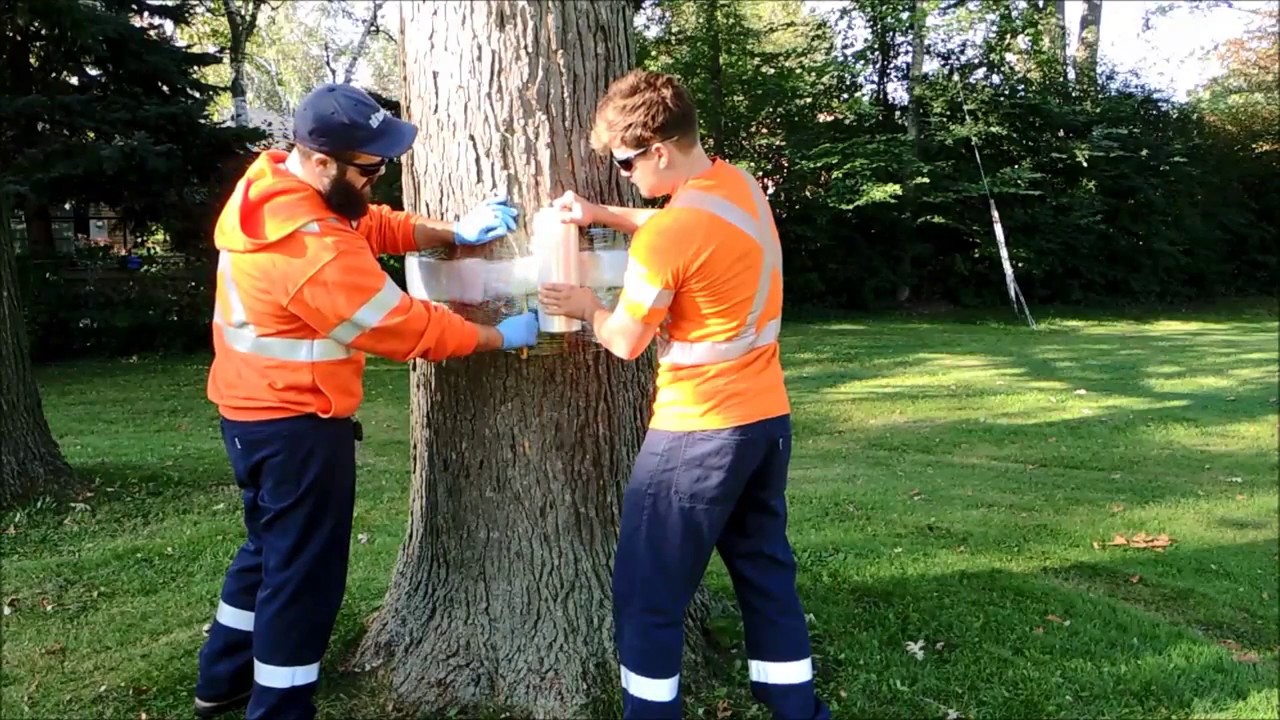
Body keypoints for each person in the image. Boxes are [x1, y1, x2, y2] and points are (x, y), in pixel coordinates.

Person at [193, 83, 538, 720]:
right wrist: (496, 334)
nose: (377, 180)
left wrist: (450, 234)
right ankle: (279, 709)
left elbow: (365, 223)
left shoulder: (277, 188)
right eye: (370, 167)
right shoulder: (309, 249)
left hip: (251, 414)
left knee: (266, 553)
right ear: (322, 161)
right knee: (303, 579)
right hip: (296, 425)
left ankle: (221, 682)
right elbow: (400, 325)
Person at [538, 70, 830, 720]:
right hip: (765, 425)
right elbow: (684, 223)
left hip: (696, 436)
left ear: (659, 151)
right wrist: (600, 215)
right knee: (765, 578)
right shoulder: (739, 187)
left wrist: (587, 306)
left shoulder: (672, 235)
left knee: (646, 599)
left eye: (624, 162)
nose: (624, 177)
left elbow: (624, 341)